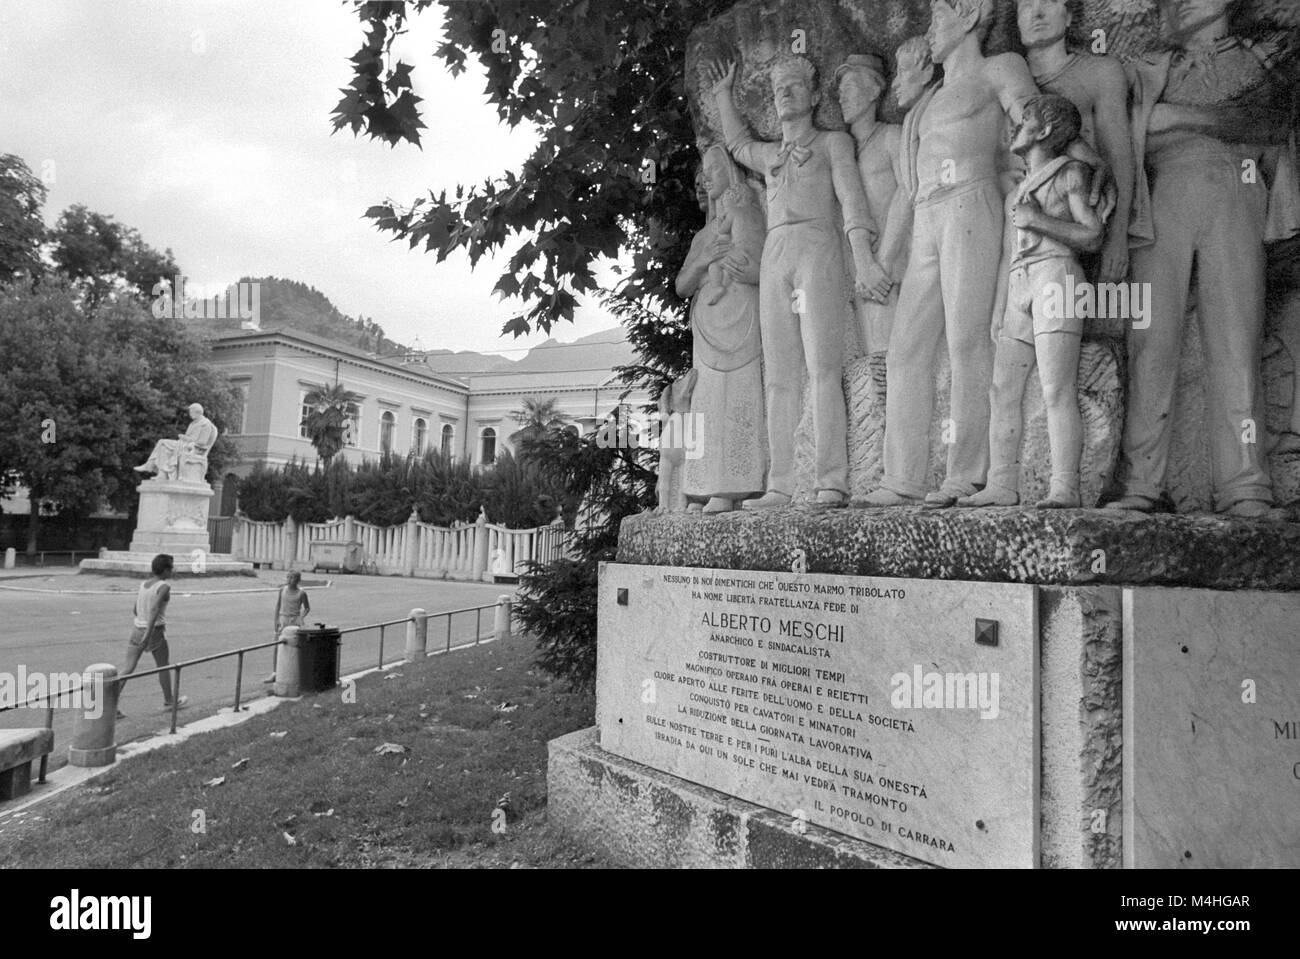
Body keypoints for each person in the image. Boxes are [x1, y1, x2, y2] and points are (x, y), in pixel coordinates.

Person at [706, 54, 888, 509]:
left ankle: (831, 479)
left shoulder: (832, 143)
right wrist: (722, 95)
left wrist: (863, 258)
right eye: (777, 88)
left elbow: (852, 202)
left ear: (811, 95)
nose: (784, 93)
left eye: (793, 86)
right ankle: (781, 483)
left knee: (822, 366)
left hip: (817, 246)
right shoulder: (769, 154)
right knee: (780, 376)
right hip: (776, 254)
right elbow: (737, 142)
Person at [960, 94, 1103, 509]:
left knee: (1057, 387)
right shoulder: (1017, 191)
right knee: (1001, 388)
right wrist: (999, 306)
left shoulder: (1070, 174)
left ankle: (1065, 487)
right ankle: (1001, 483)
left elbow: (1092, 235)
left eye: (1024, 120)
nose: (1014, 128)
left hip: (1057, 274)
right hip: (1022, 282)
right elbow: (1010, 253)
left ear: (1043, 132)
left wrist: (1039, 220)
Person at [677, 146, 767, 513]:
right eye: (703, 172)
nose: (707, 178)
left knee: (739, 399)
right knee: (707, 403)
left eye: (714, 169)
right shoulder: (703, 236)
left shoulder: (749, 212)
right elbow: (682, 285)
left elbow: (762, 263)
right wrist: (704, 259)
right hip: (708, 328)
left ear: (730, 173)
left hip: (742, 317)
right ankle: (703, 487)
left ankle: (740, 486)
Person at [118, 553, 187, 716]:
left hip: (136, 628)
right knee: (163, 666)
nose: (172, 570)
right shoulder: (164, 586)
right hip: (154, 630)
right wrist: (149, 632)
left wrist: (142, 626)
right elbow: (155, 608)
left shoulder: (144, 584)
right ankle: (169, 700)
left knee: (127, 667)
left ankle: (111, 703)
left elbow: (135, 609)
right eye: (171, 567)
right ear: (164, 570)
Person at [134, 403, 218, 481]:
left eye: (191, 412)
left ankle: (149, 465)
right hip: (184, 444)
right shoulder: (193, 423)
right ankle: (162, 475)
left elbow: (202, 442)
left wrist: (188, 440)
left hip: (193, 448)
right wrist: (185, 437)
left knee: (163, 442)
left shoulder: (206, 424)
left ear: (197, 412)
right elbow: (189, 436)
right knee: (163, 445)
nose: (190, 414)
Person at [264, 571, 311, 684]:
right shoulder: (282, 590)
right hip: (283, 619)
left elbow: (307, 608)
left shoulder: (301, 593)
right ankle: (275, 672)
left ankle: (295, 672)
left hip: (295, 621)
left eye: (293, 578)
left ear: (298, 580)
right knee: (277, 645)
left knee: (295, 646)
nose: (289, 580)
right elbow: (278, 605)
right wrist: (276, 620)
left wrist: (301, 617)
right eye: (288, 577)